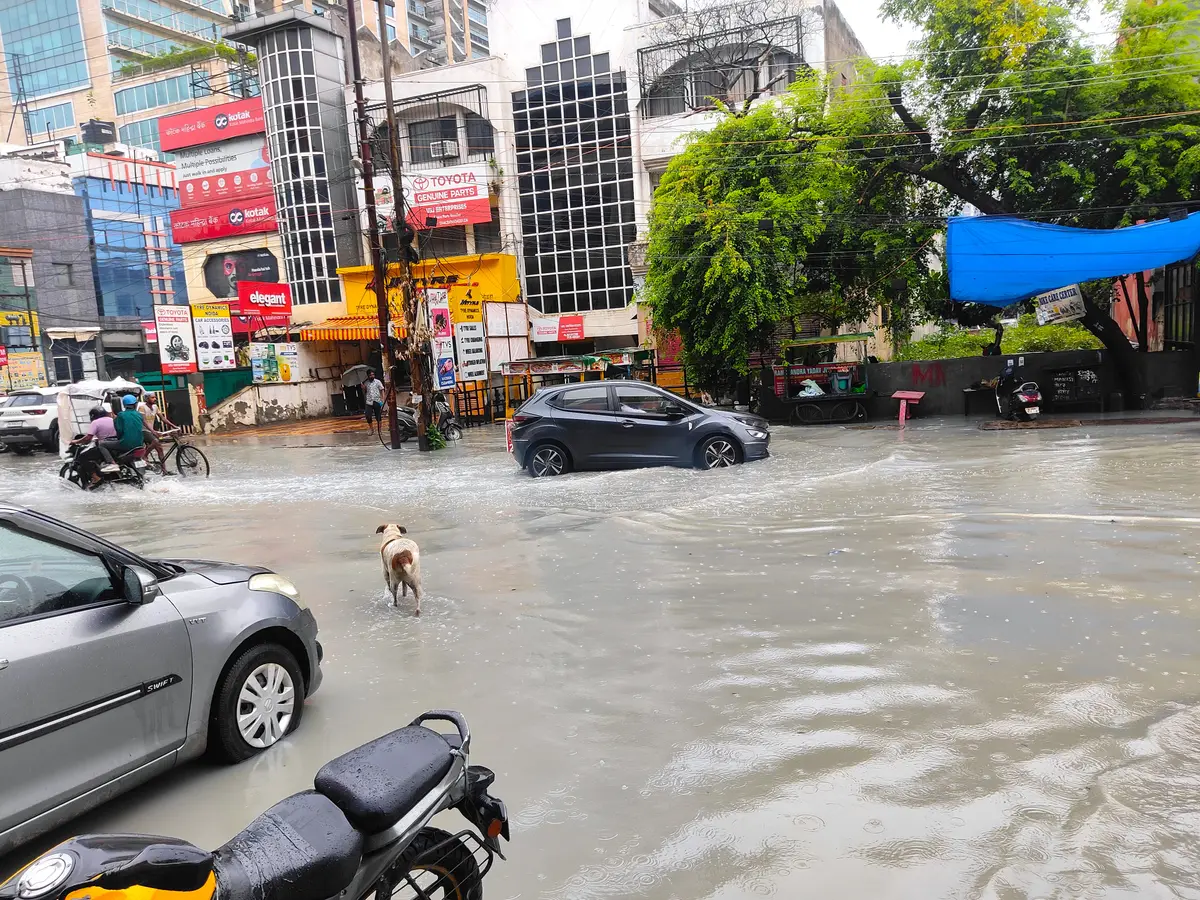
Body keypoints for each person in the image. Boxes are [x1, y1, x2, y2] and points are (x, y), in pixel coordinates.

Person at [70, 407, 117, 485]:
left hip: (104, 447)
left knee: (82, 457)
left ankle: (96, 478)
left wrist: (76, 441)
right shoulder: (112, 420)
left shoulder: (95, 422)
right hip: (116, 446)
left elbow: (88, 438)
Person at [112, 394, 144, 463]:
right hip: (139, 444)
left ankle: (112, 463)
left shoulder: (121, 415)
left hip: (125, 444)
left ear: (124, 405)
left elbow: (119, 430)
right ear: (135, 404)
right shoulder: (139, 414)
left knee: (102, 445)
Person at [137, 394, 166, 467]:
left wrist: (174, 426)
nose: (155, 399)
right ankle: (144, 455)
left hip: (151, 430)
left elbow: (163, 418)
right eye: (152, 397)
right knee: (155, 441)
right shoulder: (142, 407)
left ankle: (164, 470)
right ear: (147, 399)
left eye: (155, 397)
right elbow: (143, 421)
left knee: (160, 449)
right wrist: (152, 431)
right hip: (143, 430)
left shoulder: (155, 407)